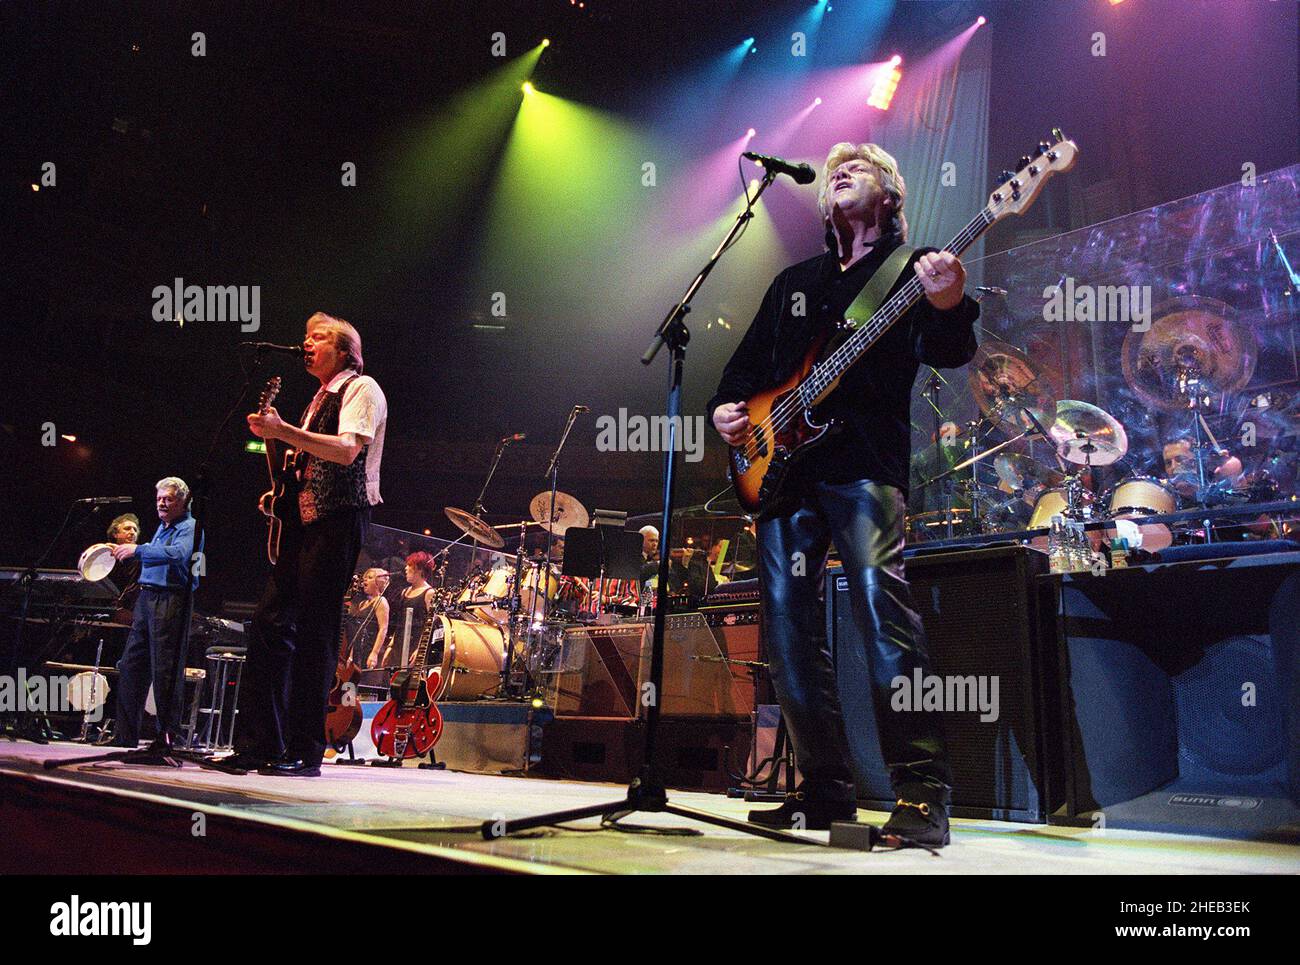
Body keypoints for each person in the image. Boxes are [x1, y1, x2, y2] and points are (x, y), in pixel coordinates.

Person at [708, 142, 979, 846]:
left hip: (863, 465)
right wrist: (727, 413)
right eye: (834, 172)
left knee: (884, 620)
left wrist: (949, 301)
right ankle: (823, 790)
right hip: (783, 476)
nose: (839, 174)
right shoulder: (793, 281)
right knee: (790, 636)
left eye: (857, 168)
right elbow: (740, 376)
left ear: (891, 194)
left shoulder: (912, 270)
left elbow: (949, 350)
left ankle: (922, 792)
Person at [230, 312, 387, 777]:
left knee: (317, 633)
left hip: (339, 519)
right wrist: (282, 493)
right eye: (305, 337)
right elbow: (310, 461)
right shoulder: (320, 396)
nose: (306, 344)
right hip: (305, 522)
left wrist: (283, 432)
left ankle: (305, 750)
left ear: (344, 351)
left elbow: (345, 451)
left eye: (317, 338)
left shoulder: (362, 388)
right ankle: (260, 744)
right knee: (268, 624)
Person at [107, 479, 200, 747]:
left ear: (182, 501)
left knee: (165, 671)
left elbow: (179, 555)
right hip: (147, 599)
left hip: (170, 599)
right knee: (131, 667)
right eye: (159, 498)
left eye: (168, 499)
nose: (162, 503)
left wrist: (139, 550)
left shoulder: (190, 527)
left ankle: (166, 737)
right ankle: (125, 736)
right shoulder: (162, 528)